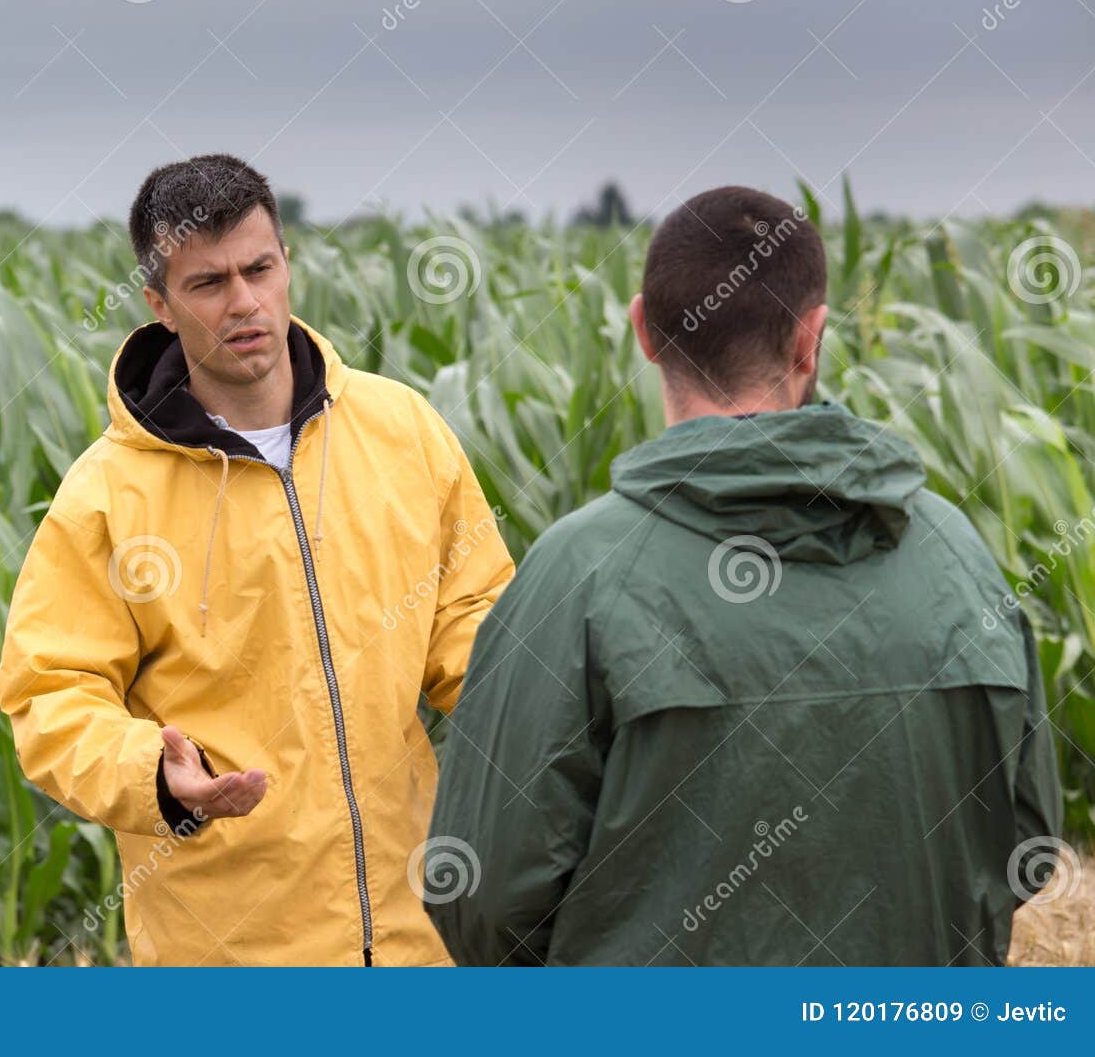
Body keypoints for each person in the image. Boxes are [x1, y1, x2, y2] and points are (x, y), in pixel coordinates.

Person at [425, 184, 1063, 966]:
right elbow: (1027, 829)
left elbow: (483, 896)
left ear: (643, 333)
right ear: (812, 339)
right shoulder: (955, 553)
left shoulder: (576, 575)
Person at [0, 153, 514, 966]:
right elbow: (50, 693)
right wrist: (157, 780)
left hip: (420, 935)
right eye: (207, 284)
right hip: (232, 958)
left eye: (259, 269)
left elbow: (476, 628)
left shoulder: (401, 430)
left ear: (286, 269)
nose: (244, 303)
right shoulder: (107, 496)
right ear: (159, 305)